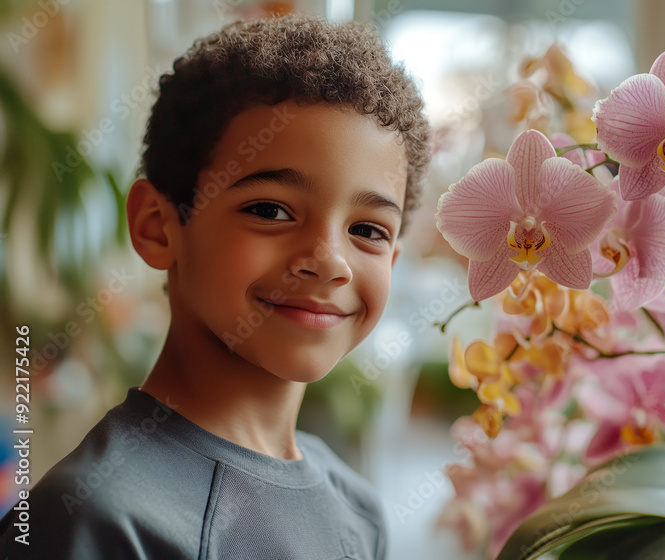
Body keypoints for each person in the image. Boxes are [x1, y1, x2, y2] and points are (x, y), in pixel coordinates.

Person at [0, 13, 430, 560]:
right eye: (270, 210)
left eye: (367, 230)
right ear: (158, 227)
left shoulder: (359, 510)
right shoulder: (91, 519)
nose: (330, 263)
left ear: (392, 257)